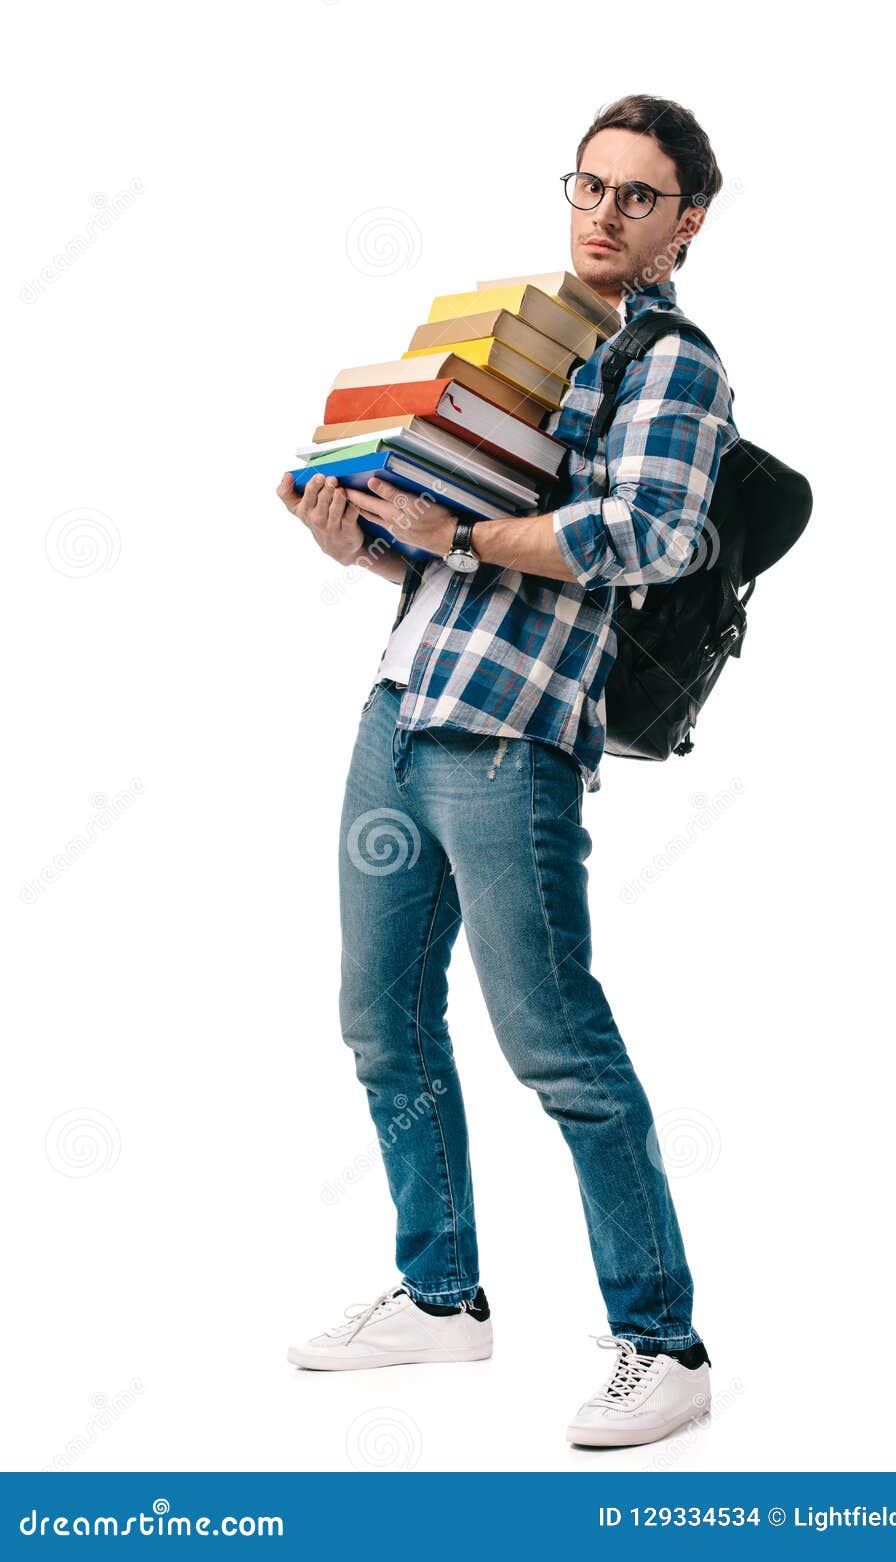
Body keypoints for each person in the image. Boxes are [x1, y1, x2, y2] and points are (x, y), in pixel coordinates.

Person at [277, 94, 741, 1448]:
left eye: (637, 196)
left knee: (557, 1042)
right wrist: (364, 539)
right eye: (588, 185)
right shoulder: (526, 341)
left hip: (508, 738)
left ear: (687, 222)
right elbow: (449, 551)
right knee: (382, 1018)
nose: (603, 213)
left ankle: (664, 1338)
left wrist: (467, 533)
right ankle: (440, 1294)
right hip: (406, 706)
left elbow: (654, 534)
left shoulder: (673, 361)